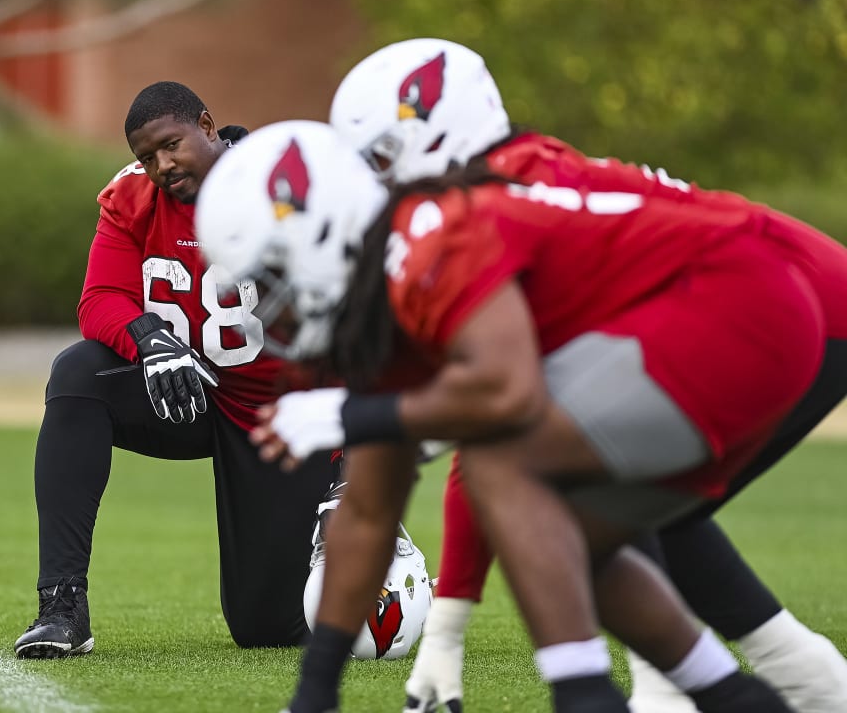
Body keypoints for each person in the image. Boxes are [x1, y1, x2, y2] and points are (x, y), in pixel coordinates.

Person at [194, 117, 847, 713]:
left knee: (502, 460)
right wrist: (316, 689)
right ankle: (733, 697)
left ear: (320, 231)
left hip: (740, 297)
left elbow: (505, 394)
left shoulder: (427, 240)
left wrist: (354, 412)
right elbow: (367, 508)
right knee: (573, 533)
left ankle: (586, 695)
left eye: (271, 277)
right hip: (722, 305)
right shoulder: (378, 297)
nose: (271, 313)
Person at [13, 81, 341, 658]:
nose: (162, 165)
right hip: (184, 390)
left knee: (266, 627)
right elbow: (100, 300)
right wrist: (148, 337)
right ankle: (61, 607)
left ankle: (376, 560)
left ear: (207, 126)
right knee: (79, 374)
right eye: (147, 156)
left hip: (276, 417)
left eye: (171, 145)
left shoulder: (281, 190)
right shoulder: (132, 198)